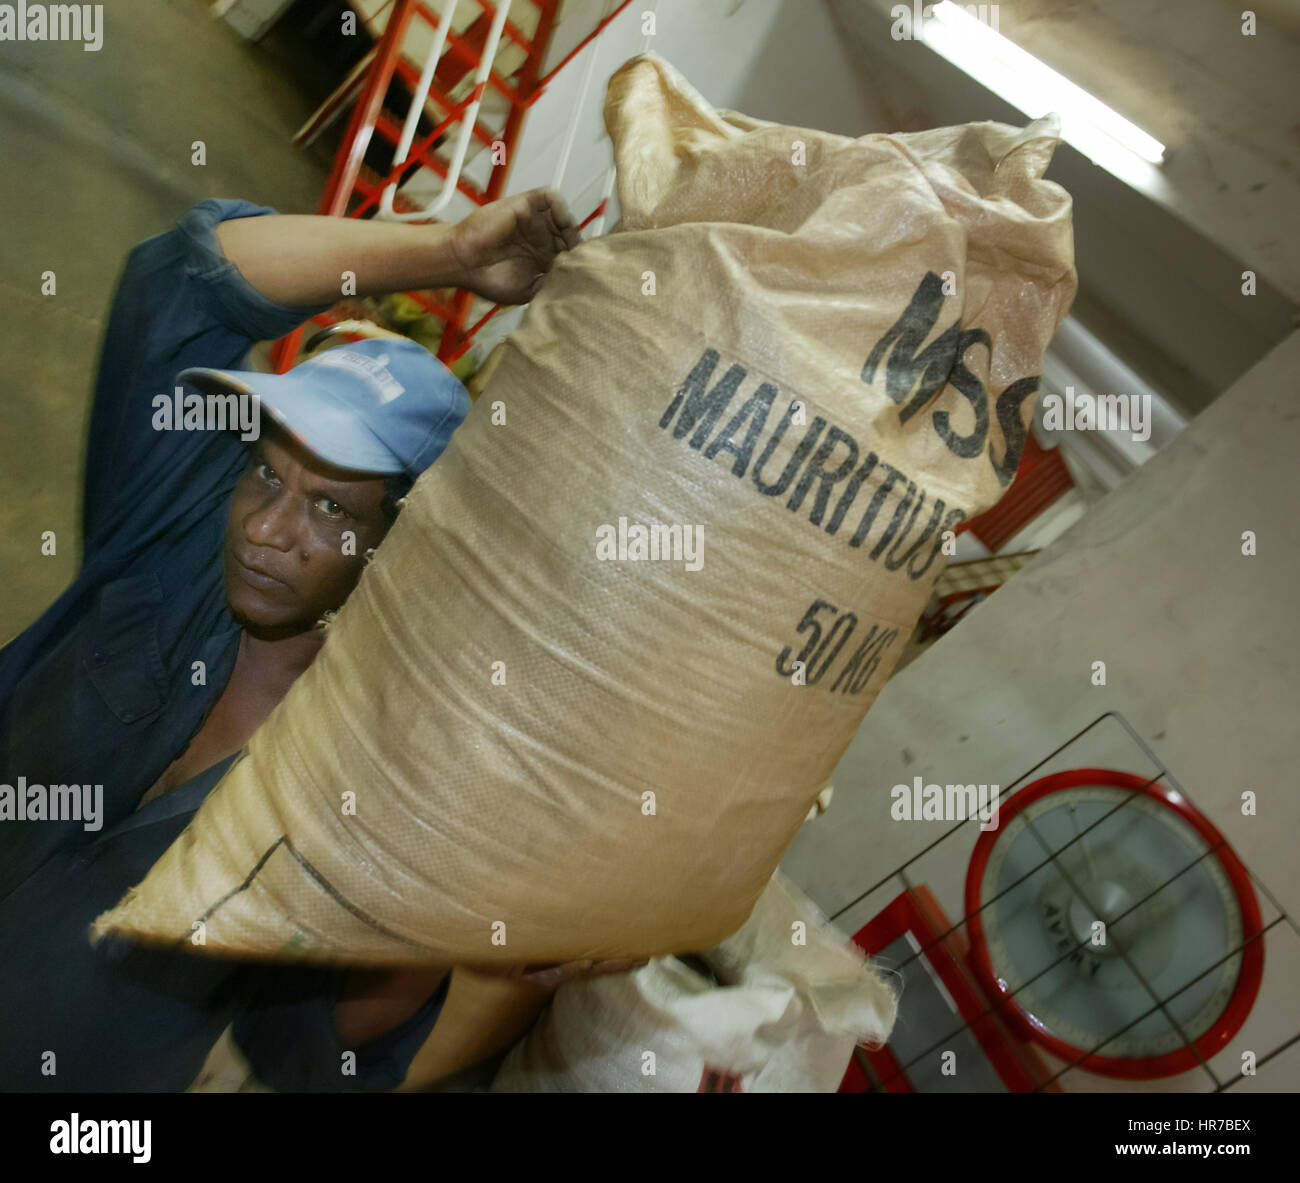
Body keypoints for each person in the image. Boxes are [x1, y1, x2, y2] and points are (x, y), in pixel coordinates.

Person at [0, 188, 641, 1092]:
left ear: (400, 546)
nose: (267, 529)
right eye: (267, 472)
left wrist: (480, 959)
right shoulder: (171, 538)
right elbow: (181, 280)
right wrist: (450, 252)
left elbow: (313, 1047)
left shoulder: (376, 775)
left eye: (331, 507)